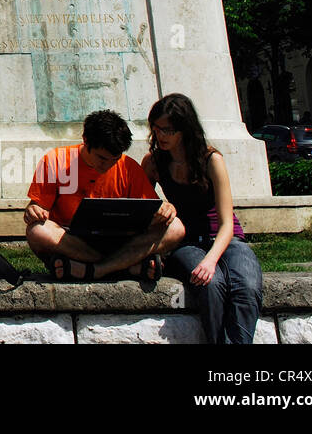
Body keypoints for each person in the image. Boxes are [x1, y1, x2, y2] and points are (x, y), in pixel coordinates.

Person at [143, 93, 263, 344]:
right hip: (185, 241)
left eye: (168, 130)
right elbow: (141, 209)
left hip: (224, 239)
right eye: (156, 129)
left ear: (185, 128)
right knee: (211, 286)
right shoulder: (153, 162)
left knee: (246, 286)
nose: (161, 136)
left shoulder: (211, 160)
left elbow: (227, 223)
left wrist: (210, 260)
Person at [25, 109, 184, 280]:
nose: (108, 165)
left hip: (121, 240)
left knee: (176, 227)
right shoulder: (55, 160)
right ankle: (124, 266)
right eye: (102, 158)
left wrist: (164, 209)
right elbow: (37, 207)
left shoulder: (129, 167)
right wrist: (33, 210)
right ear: (85, 140)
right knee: (36, 231)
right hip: (73, 240)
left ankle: (94, 269)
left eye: (114, 159)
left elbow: (151, 211)